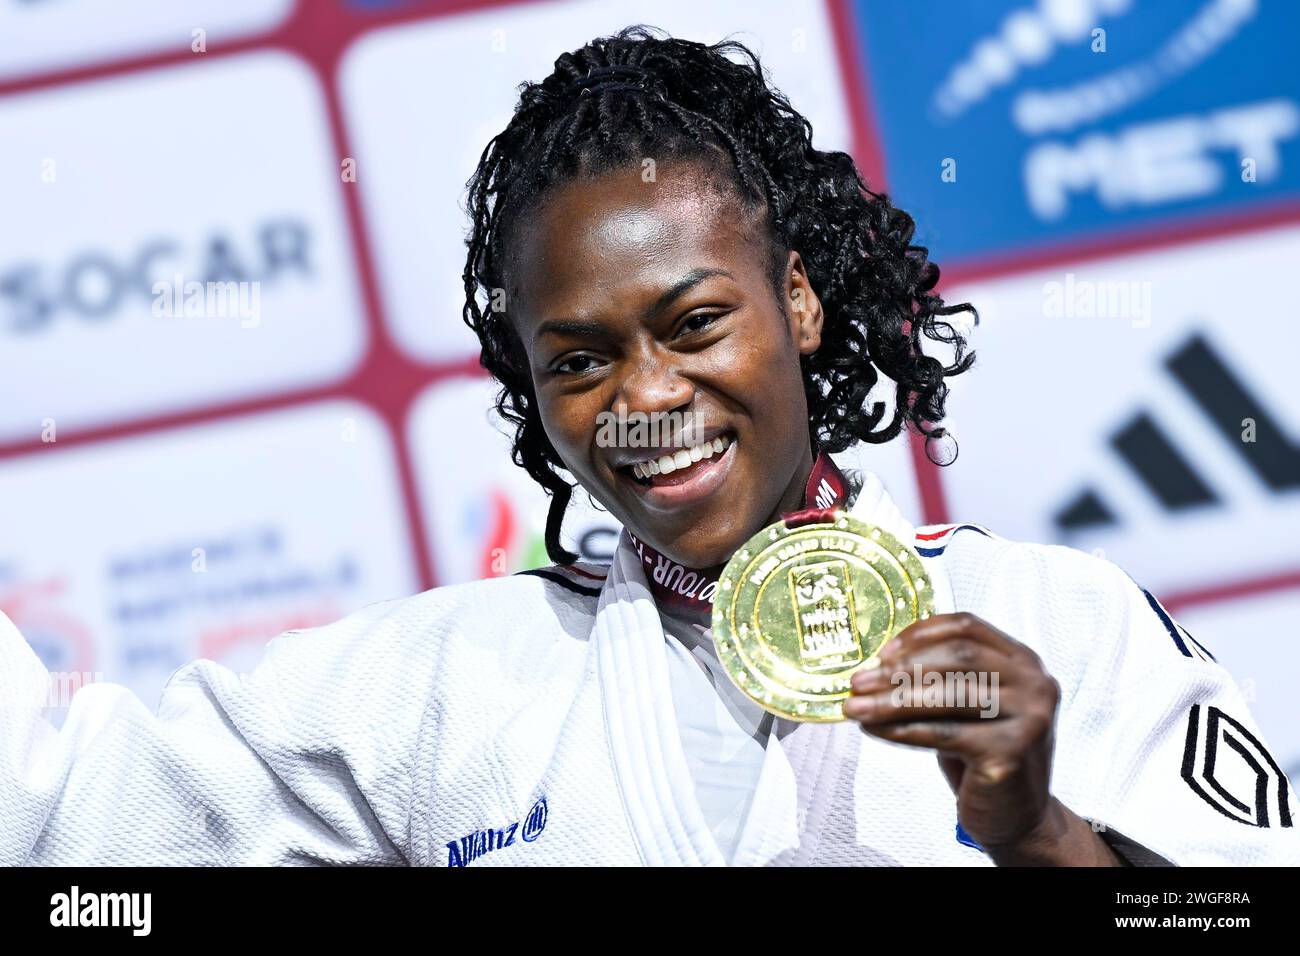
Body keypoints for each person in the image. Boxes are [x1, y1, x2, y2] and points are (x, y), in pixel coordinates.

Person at [2, 27, 1295, 867]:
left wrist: (1040, 833)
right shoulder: (445, 692)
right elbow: (59, 834)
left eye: (693, 323)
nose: (644, 396)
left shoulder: (1048, 620)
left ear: (795, 299)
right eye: (579, 359)